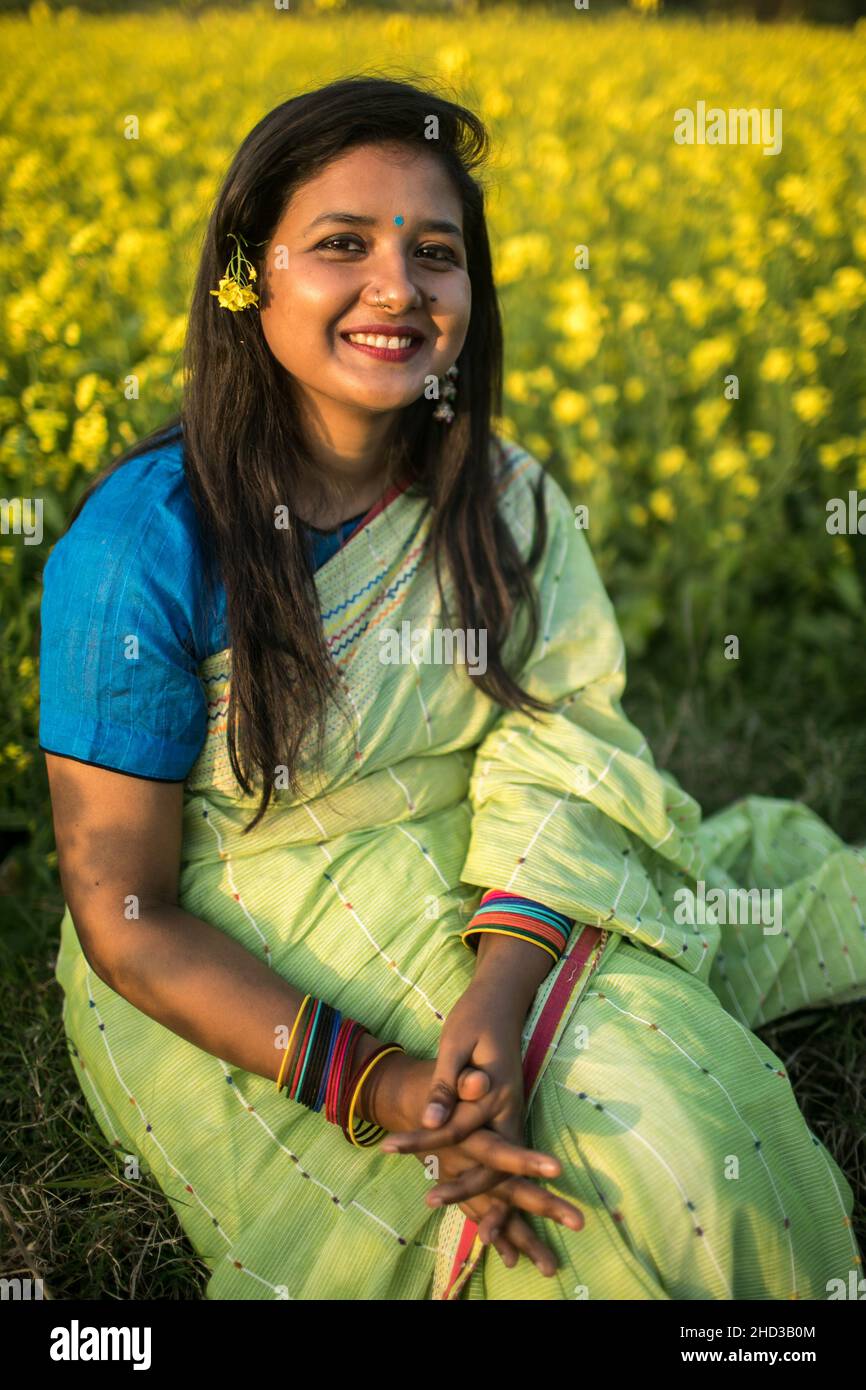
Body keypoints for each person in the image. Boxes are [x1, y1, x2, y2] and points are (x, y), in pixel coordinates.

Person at [39, 76, 866, 1301]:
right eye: (341, 244)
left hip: (489, 879)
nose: (397, 287)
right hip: (232, 955)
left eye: (434, 252)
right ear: (246, 276)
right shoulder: (137, 548)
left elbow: (562, 735)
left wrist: (505, 979)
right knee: (570, 1201)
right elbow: (127, 915)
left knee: (690, 1146)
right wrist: (386, 1085)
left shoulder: (502, 498)